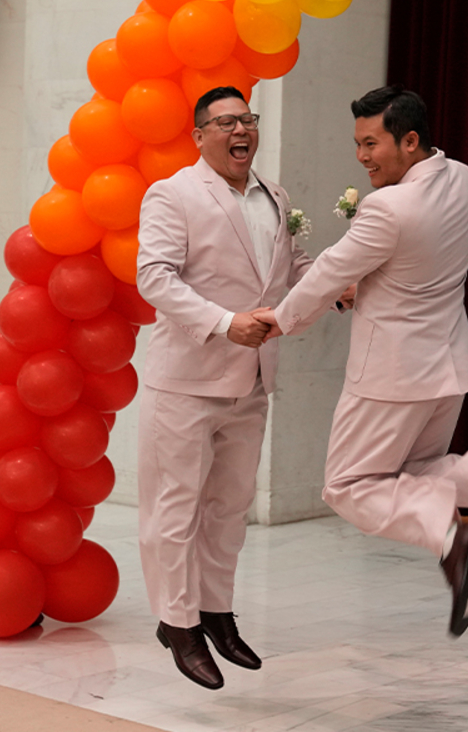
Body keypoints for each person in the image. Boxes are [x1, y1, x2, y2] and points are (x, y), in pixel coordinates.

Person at [254, 86, 468, 638]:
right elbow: (410, 268)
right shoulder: (465, 179)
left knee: (349, 487)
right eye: (357, 144)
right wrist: (364, 288)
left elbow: (330, 271)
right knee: (411, 473)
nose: (361, 157)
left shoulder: (388, 207)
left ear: (409, 141)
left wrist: (280, 320)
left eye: (370, 143)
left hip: (390, 376)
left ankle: (453, 537)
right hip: (449, 370)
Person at [134, 86, 330, 689]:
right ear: (199, 136)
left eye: (248, 119)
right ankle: (178, 624)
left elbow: (293, 267)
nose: (241, 130)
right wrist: (224, 323)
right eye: (225, 122)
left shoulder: (276, 196)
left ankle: (216, 612)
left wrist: (337, 286)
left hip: (253, 378)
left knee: (229, 507)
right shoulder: (173, 193)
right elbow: (153, 277)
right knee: (175, 507)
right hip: (187, 381)